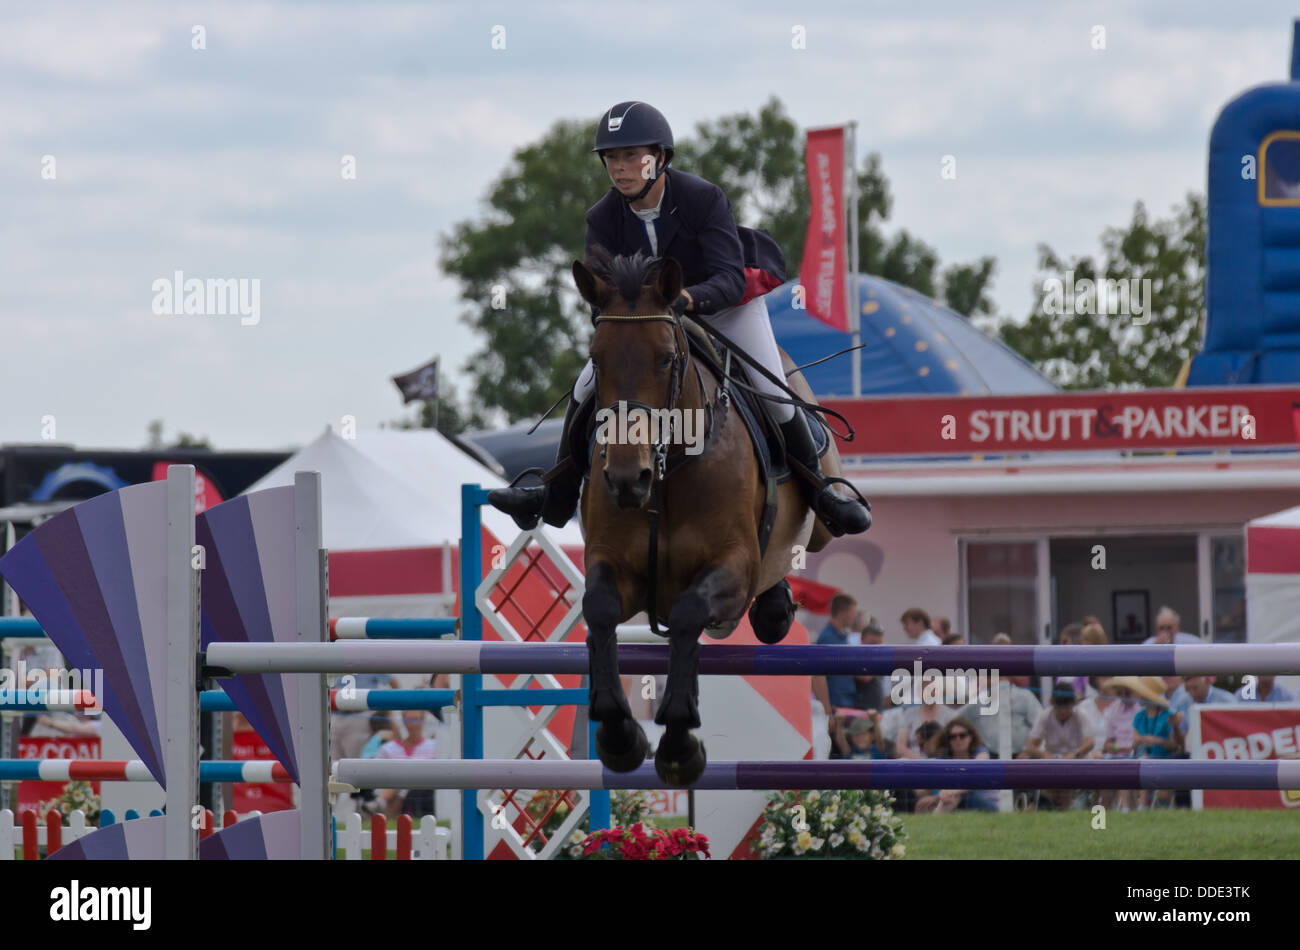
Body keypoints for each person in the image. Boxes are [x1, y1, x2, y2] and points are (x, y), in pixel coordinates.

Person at [487, 100, 871, 538]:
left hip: (725, 308)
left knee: (769, 387)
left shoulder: (701, 198)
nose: (620, 168)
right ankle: (555, 492)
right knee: (586, 385)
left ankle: (822, 492)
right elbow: (601, 292)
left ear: (661, 158)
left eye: (632, 156)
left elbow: (728, 277)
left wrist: (685, 299)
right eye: (612, 158)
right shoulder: (602, 217)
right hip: (649, 325)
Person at [1025, 688, 1094, 809]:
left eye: (1066, 707)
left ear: (1073, 705)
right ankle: (1055, 805)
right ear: (1053, 705)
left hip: (1077, 761)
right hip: (1052, 761)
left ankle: (1062, 807)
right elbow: (1029, 746)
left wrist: (1075, 754)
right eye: (1059, 707)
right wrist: (1043, 754)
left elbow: (1090, 742)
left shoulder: (1081, 715)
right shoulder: (1045, 716)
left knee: (1064, 775)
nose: (1062, 711)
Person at [811, 594, 860, 759]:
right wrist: (827, 713)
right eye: (853, 612)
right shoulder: (827, 637)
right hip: (835, 708)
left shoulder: (842, 636)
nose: (855, 616)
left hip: (845, 706)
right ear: (842, 612)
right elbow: (818, 676)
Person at [914, 718, 997, 813]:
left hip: (985, 803)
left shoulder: (980, 752)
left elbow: (975, 774)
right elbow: (920, 789)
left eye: (962, 735)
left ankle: (935, 823)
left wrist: (951, 791)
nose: (958, 739)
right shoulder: (944, 760)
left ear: (971, 737)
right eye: (953, 737)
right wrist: (935, 797)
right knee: (923, 803)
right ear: (948, 740)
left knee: (954, 796)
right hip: (953, 800)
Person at [373, 709, 438, 819]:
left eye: (415, 720)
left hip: (421, 788)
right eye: (409, 720)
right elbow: (375, 770)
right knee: (401, 783)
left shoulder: (433, 746)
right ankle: (384, 808)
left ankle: (379, 803)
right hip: (392, 787)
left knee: (404, 780)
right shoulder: (388, 747)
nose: (412, 724)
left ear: (422, 721)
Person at [1129, 676, 1176, 808]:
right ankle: (1128, 807)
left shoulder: (1168, 715)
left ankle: (1142, 806)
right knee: (1130, 765)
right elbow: (1133, 744)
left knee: (1144, 764)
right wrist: (1138, 741)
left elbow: (1174, 746)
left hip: (1163, 759)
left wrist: (1158, 741)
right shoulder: (1139, 716)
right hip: (1142, 757)